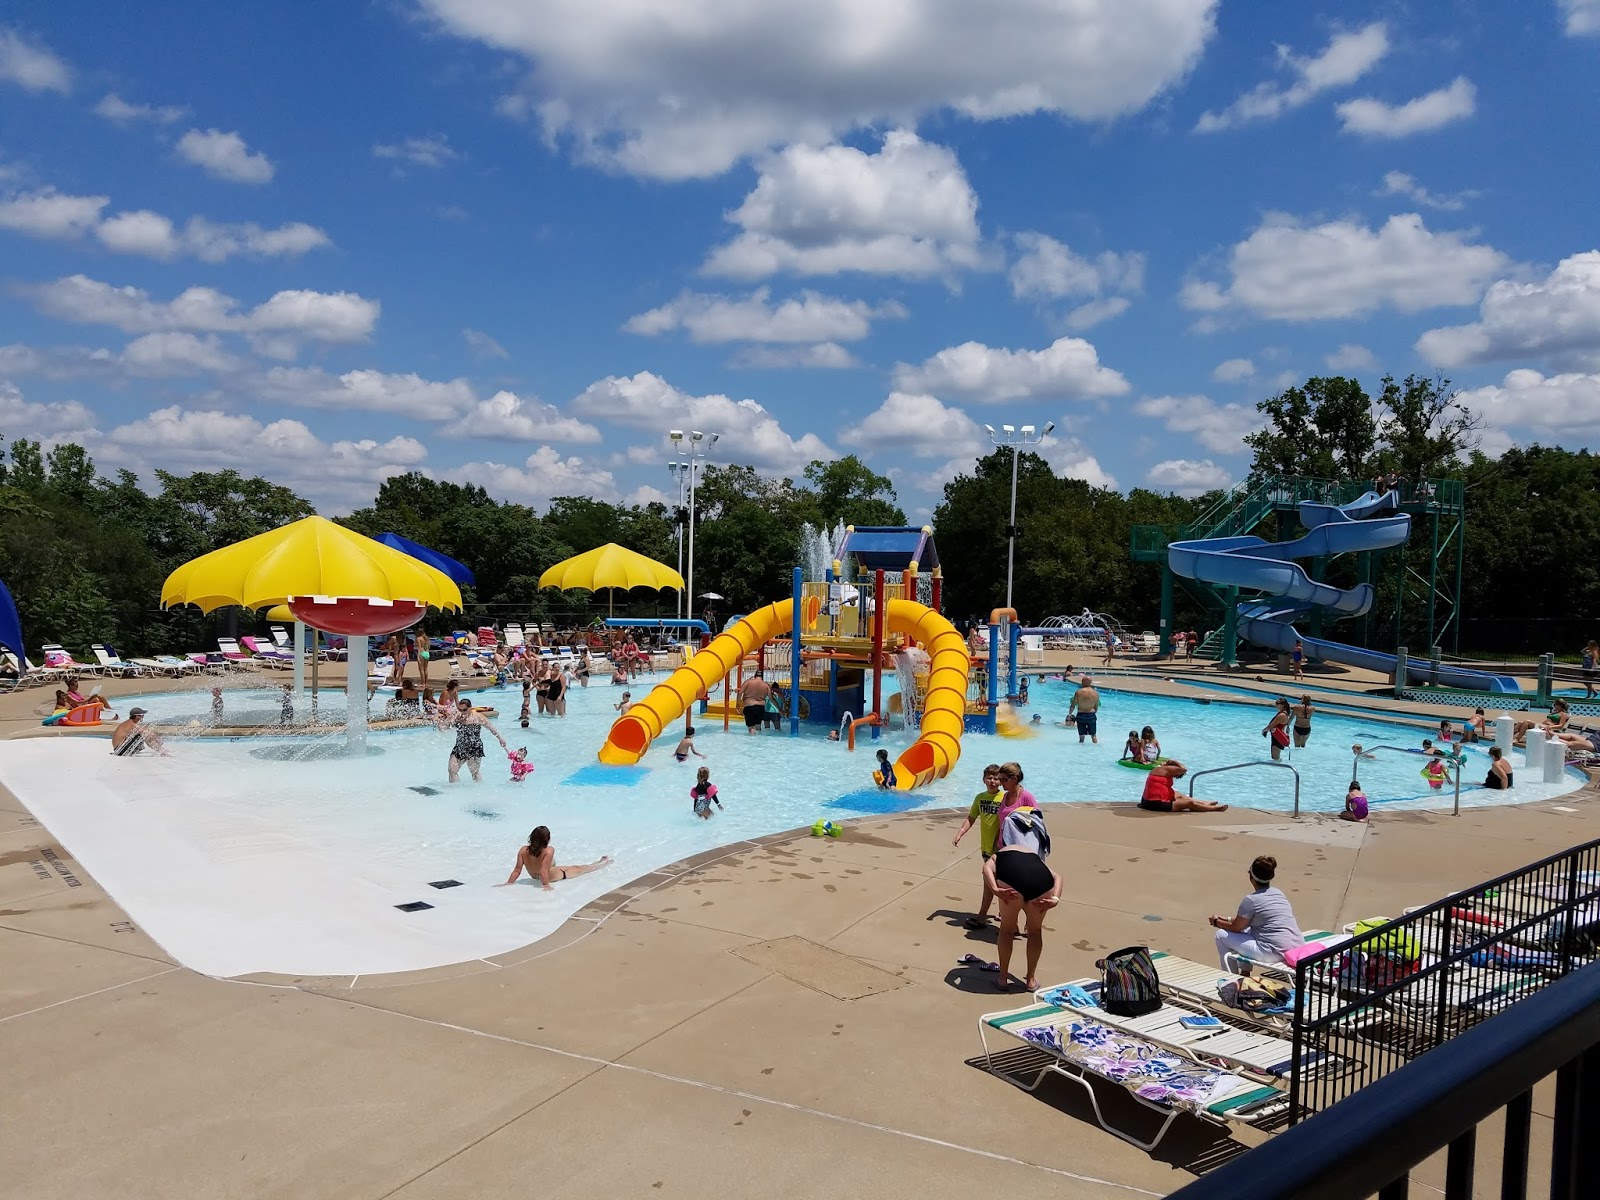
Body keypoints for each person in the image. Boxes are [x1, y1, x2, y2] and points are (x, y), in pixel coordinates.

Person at [983, 804, 1063, 991]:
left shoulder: (1002, 852)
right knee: (1035, 932)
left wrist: (995, 889)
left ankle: (1003, 979)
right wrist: (1055, 899)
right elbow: (1058, 877)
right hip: (1041, 882)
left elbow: (986, 868)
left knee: (1007, 931)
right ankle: (1031, 980)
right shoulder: (1034, 856)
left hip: (1011, 879)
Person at [1208, 856, 1304, 969]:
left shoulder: (1250, 900)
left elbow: (1236, 928)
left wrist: (1216, 922)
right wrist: (1226, 919)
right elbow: (1250, 921)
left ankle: (1231, 979)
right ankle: (1245, 972)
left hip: (1273, 953)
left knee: (1221, 935)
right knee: (1248, 930)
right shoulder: (1278, 893)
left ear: (1251, 876)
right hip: (1295, 947)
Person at [953, 765, 1004, 929]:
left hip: (1001, 848)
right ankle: (1005, 912)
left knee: (991, 881)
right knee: (998, 881)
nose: (993, 781)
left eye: (996, 778)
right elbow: (972, 817)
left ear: (1001, 781)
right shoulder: (980, 798)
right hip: (986, 848)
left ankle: (982, 916)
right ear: (984, 780)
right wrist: (961, 832)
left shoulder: (1005, 798)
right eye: (990, 777)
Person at [498, 826, 611, 890]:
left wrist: (509, 883)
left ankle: (598, 862)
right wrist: (546, 885)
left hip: (537, 875)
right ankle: (601, 864)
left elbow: (517, 870)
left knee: (571, 866)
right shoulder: (548, 850)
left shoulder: (523, 850)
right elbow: (543, 870)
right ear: (547, 839)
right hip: (554, 875)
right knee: (581, 869)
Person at [443, 698, 507, 783]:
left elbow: (491, 727)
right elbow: (445, 727)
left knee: (474, 773)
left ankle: (478, 790)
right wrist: (449, 720)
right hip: (460, 746)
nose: (462, 712)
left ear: (470, 708)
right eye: (460, 709)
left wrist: (500, 738)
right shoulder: (457, 716)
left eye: (465, 710)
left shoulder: (478, 717)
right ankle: (454, 792)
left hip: (474, 747)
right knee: (452, 771)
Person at [1139, 760, 1227, 812]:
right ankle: (1214, 808)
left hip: (1148, 800)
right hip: (1155, 804)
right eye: (1176, 774)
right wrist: (1174, 761)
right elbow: (1184, 769)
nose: (1175, 776)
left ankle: (1204, 802)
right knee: (1189, 803)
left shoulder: (1161, 769)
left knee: (1179, 795)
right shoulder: (1165, 769)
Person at [1064, 675, 1100, 744]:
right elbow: (1096, 707)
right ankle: (1096, 750)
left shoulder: (1079, 692)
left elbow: (1073, 705)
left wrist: (1070, 714)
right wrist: (1093, 713)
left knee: (1081, 736)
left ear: (1083, 682)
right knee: (1093, 735)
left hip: (1081, 714)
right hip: (1091, 714)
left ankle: (1081, 751)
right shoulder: (1095, 693)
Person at [739, 671, 772, 735]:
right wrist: (779, 709)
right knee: (758, 727)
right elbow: (771, 698)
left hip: (749, 706)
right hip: (760, 707)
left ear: (755, 676)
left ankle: (752, 741)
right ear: (762, 677)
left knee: (751, 728)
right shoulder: (766, 685)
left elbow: (740, 693)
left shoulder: (748, 682)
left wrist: (737, 703)